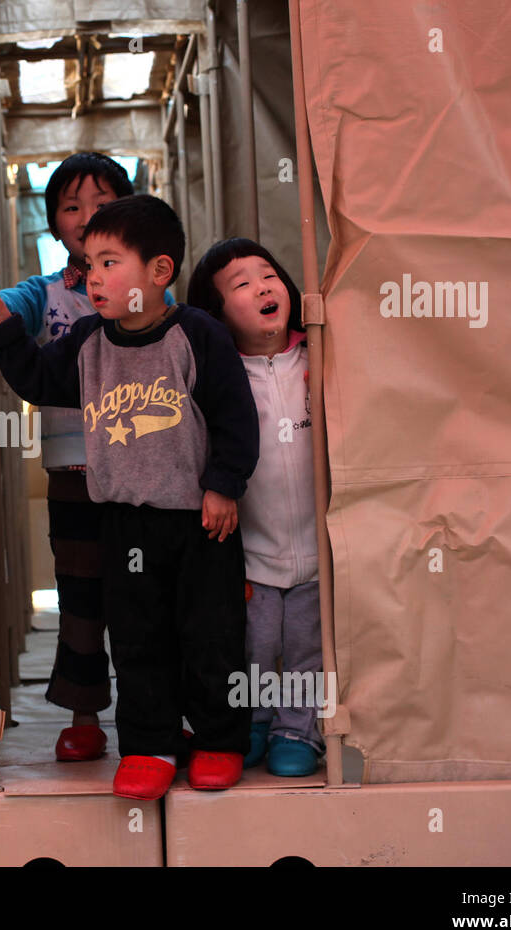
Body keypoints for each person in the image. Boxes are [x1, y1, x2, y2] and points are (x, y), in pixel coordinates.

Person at [0, 195, 258, 799]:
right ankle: (149, 745)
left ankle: (216, 739)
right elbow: (36, 380)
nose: (94, 276)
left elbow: (236, 416)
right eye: (89, 263)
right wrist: (2, 325)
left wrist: (223, 487)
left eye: (110, 263)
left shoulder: (197, 336)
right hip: (124, 524)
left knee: (210, 634)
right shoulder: (88, 342)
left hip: (199, 522)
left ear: (159, 272)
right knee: (137, 639)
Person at [0, 152, 171, 762]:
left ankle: (158, 715)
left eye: (103, 205)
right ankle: (86, 717)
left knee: (147, 600)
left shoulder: (155, 294)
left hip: (147, 477)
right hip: (74, 478)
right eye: (71, 207)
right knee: (81, 600)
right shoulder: (43, 294)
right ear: (55, 225)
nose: (86, 217)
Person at [186, 238, 323, 776]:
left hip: (317, 547)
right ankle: (258, 719)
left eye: (268, 274)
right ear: (217, 313)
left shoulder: (316, 359)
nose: (263, 286)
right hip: (252, 551)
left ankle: (300, 728)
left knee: (309, 646)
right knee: (256, 643)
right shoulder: (219, 378)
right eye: (241, 284)